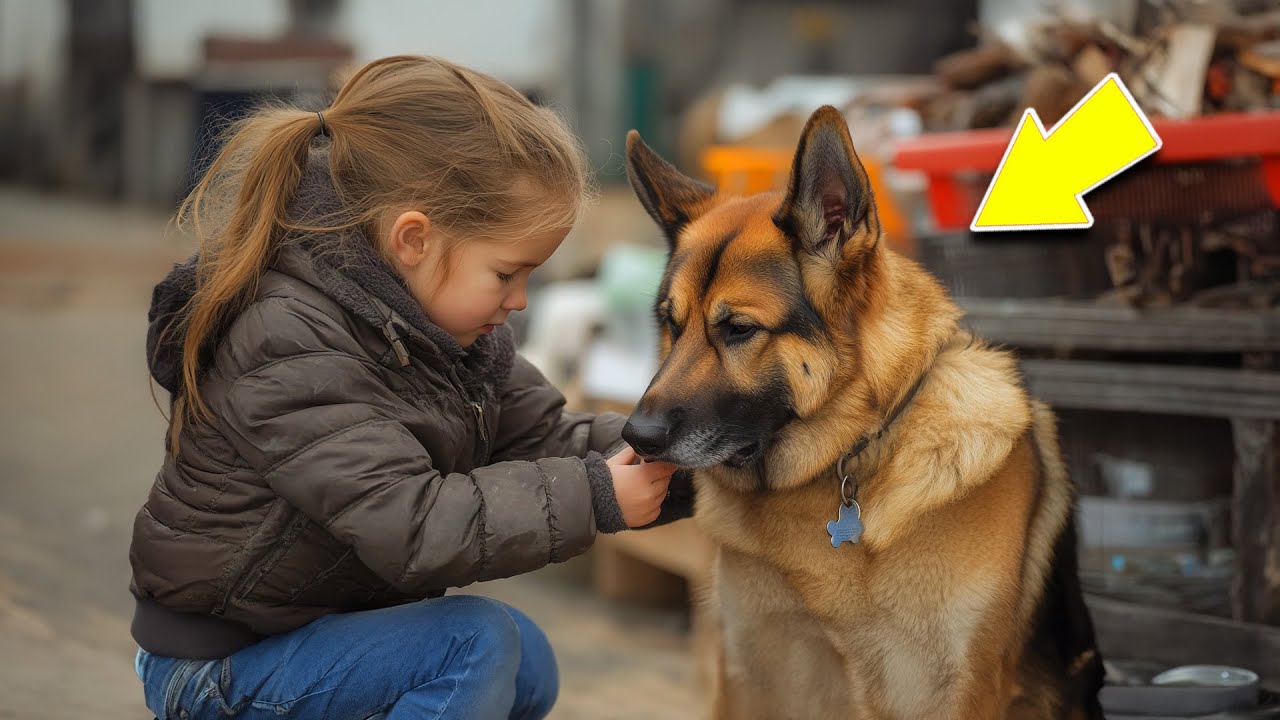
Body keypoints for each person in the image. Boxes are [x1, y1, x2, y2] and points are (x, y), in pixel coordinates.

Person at [129, 54, 689, 720]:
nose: (520, 300)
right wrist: (596, 494)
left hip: (316, 632)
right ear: (414, 239)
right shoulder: (287, 339)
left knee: (528, 662)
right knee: (475, 646)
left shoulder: (452, 335)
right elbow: (412, 525)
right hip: (223, 666)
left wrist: (686, 457)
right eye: (506, 273)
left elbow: (545, 437)